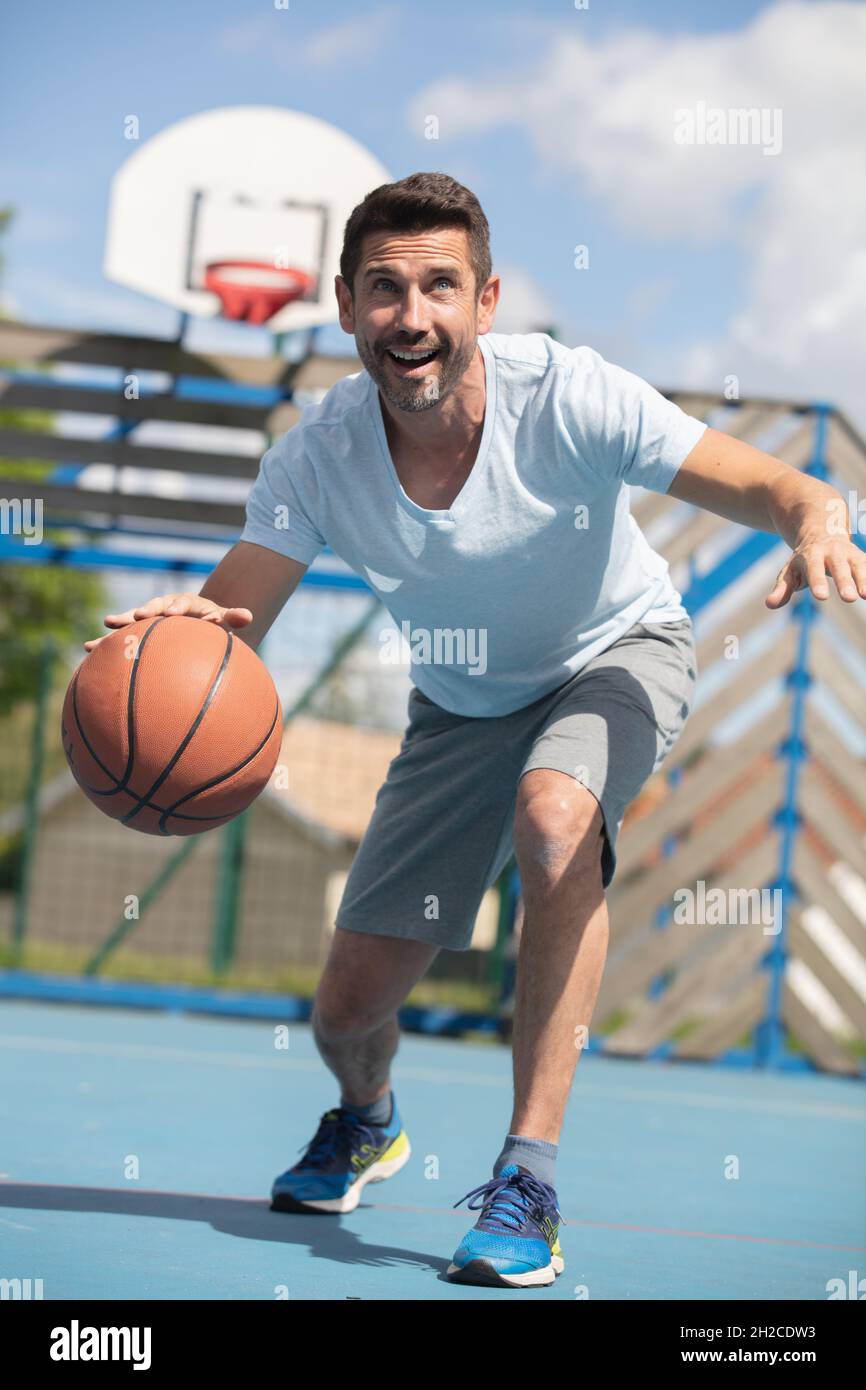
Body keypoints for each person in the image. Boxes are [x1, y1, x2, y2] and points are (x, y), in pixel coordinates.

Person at [87, 173, 865, 1289]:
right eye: (385, 289)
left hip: (615, 653)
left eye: (439, 286)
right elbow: (232, 619)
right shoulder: (318, 455)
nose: (413, 316)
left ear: (486, 300)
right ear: (349, 306)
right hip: (462, 707)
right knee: (348, 1010)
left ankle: (527, 1177)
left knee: (555, 817)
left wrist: (815, 518)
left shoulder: (571, 397)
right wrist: (174, 647)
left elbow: (768, 481)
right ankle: (367, 1120)